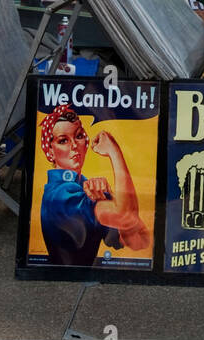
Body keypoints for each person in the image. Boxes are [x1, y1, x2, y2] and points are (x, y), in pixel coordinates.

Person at [38, 104, 149, 266]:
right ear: (51, 151)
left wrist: (115, 206)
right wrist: (114, 153)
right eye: (63, 140)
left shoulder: (83, 184)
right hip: (68, 280)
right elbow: (127, 218)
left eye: (78, 136)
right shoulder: (62, 195)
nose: (74, 146)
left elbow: (138, 240)